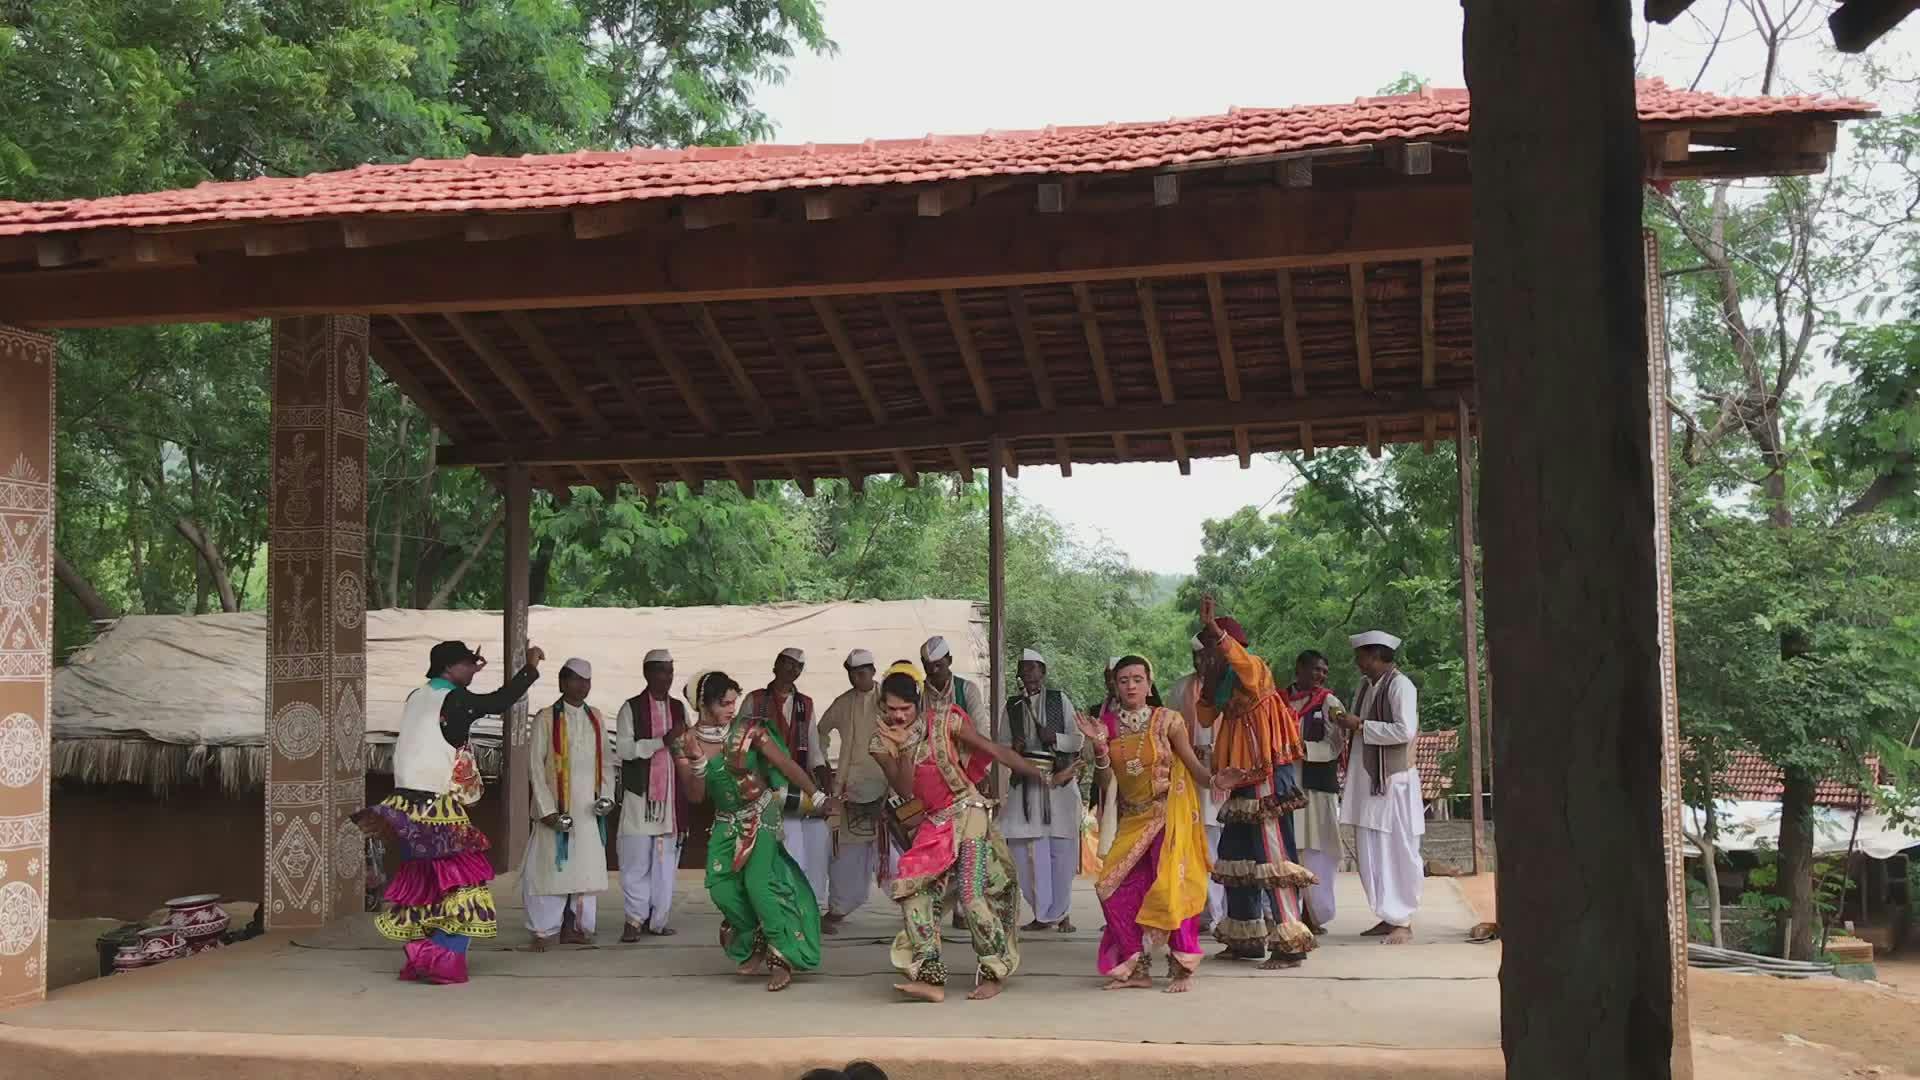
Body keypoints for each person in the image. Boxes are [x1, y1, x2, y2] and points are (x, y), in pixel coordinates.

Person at [354, 640, 544, 984]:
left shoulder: (417, 696)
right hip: (435, 806)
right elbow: (500, 701)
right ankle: (439, 957)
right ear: (450, 668)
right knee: (464, 884)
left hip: (404, 806)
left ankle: (420, 954)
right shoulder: (454, 699)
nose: (474, 670)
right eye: (469, 664)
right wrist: (530, 668)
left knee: (424, 883)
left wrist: (469, 671)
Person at [871, 668, 1060, 1002]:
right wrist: (900, 750)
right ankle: (930, 976)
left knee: (972, 895)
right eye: (891, 709)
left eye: (905, 708)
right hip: (934, 823)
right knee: (914, 893)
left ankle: (994, 970)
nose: (898, 715)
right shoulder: (880, 742)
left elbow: (995, 750)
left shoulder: (944, 722)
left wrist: (1041, 775)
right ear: (882, 707)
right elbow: (904, 790)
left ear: (917, 703)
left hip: (968, 810)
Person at [1083, 656, 1251, 993]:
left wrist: (1217, 780)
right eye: (1124, 680)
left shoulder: (1168, 720)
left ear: (1149, 683)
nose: (1130, 686)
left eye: (1137, 679)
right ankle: (1137, 964)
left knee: (1173, 888)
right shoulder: (1107, 725)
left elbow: (1193, 768)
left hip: (1166, 817)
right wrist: (1100, 746)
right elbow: (1105, 781)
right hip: (1132, 819)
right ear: (1115, 685)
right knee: (1109, 888)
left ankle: (1182, 967)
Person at [675, 670, 835, 991]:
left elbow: (786, 764)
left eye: (735, 701)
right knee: (720, 887)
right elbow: (695, 796)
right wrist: (697, 763)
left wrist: (817, 796)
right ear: (703, 705)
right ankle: (754, 937)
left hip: (762, 813)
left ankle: (782, 957)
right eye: (725, 704)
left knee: (759, 884)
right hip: (726, 820)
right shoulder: (688, 742)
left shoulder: (749, 731)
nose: (733, 709)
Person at [1196, 595, 1318, 969]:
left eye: (1211, 649)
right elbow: (1203, 718)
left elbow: (1241, 662)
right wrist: (1211, 677)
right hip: (1240, 780)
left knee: (1273, 859)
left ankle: (1290, 944)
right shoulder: (1222, 681)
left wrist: (1216, 631)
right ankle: (1247, 940)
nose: (1206, 656)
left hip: (1267, 777)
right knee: (1237, 859)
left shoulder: (1255, 669)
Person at [1337, 630, 1424, 944]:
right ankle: (1387, 915)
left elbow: (1405, 730)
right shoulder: (1365, 686)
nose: (1357, 661)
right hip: (1367, 784)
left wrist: (1360, 725)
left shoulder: (1401, 686)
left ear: (1375, 656)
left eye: (1360, 655)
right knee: (1372, 849)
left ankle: (1403, 919)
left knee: (1397, 849)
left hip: (1393, 783)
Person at [522, 658, 614, 949]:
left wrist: (607, 797)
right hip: (557, 809)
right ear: (562, 682)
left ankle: (576, 925)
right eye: (575, 679)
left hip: (589, 809)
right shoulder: (546, 717)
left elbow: (607, 763)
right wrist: (547, 810)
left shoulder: (596, 716)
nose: (582, 685)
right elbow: (536, 767)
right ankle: (543, 930)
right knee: (550, 868)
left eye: (586, 680)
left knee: (584, 867)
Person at [997, 648, 1087, 933]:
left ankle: (1061, 912)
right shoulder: (1012, 706)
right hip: (1025, 787)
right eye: (1023, 669)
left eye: (1033, 669)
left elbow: (1078, 741)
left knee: (1061, 851)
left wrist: (1056, 738)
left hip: (1058, 785)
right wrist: (1016, 748)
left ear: (1043, 672)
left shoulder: (1059, 700)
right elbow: (1001, 746)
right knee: (1023, 852)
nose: (1028, 674)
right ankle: (1042, 912)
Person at [743, 647, 831, 906]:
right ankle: (787, 907)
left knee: (815, 847)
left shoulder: (806, 703)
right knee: (788, 851)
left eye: (798, 667)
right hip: (766, 789)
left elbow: (814, 751)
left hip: (800, 788)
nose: (792, 670)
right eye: (788, 664)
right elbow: (741, 748)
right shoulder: (755, 700)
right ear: (775, 665)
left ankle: (811, 907)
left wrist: (825, 788)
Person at [819, 649, 892, 935]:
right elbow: (819, 732)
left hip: (889, 786)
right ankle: (838, 909)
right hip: (850, 789)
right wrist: (821, 765)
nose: (856, 678)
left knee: (895, 851)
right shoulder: (843, 702)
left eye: (861, 672)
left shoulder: (889, 700)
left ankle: (922, 906)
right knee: (847, 852)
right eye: (851, 673)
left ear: (873, 671)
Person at [616, 648, 686, 941]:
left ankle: (658, 920)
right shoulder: (630, 708)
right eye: (661, 671)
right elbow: (625, 749)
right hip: (639, 796)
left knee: (665, 863)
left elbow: (685, 746)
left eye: (670, 671)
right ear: (647, 673)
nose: (667, 677)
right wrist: (661, 742)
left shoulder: (679, 708)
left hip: (670, 798)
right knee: (635, 860)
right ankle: (633, 920)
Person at [1285, 649, 1348, 933]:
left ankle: (1315, 912)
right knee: (1288, 850)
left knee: (1317, 850)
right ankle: (1289, 913)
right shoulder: (1279, 701)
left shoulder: (1330, 703)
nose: (1321, 675)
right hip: (1286, 785)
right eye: (1315, 669)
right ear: (1299, 668)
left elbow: (1336, 744)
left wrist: (1304, 750)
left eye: (1324, 671)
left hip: (1317, 787)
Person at [1166, 637, 1225, 929]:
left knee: (1217, 847)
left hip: (1223, 775)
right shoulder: (1181, 688)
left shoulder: (1229, 686)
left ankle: (1218, 913)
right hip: (1189, 776)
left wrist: (1215, 751)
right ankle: (1201, 910)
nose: (1201, 662)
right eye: (1197, 656)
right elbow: (1165, 729)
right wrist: (1189, 749)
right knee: (1195, 846)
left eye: (1207, 656)